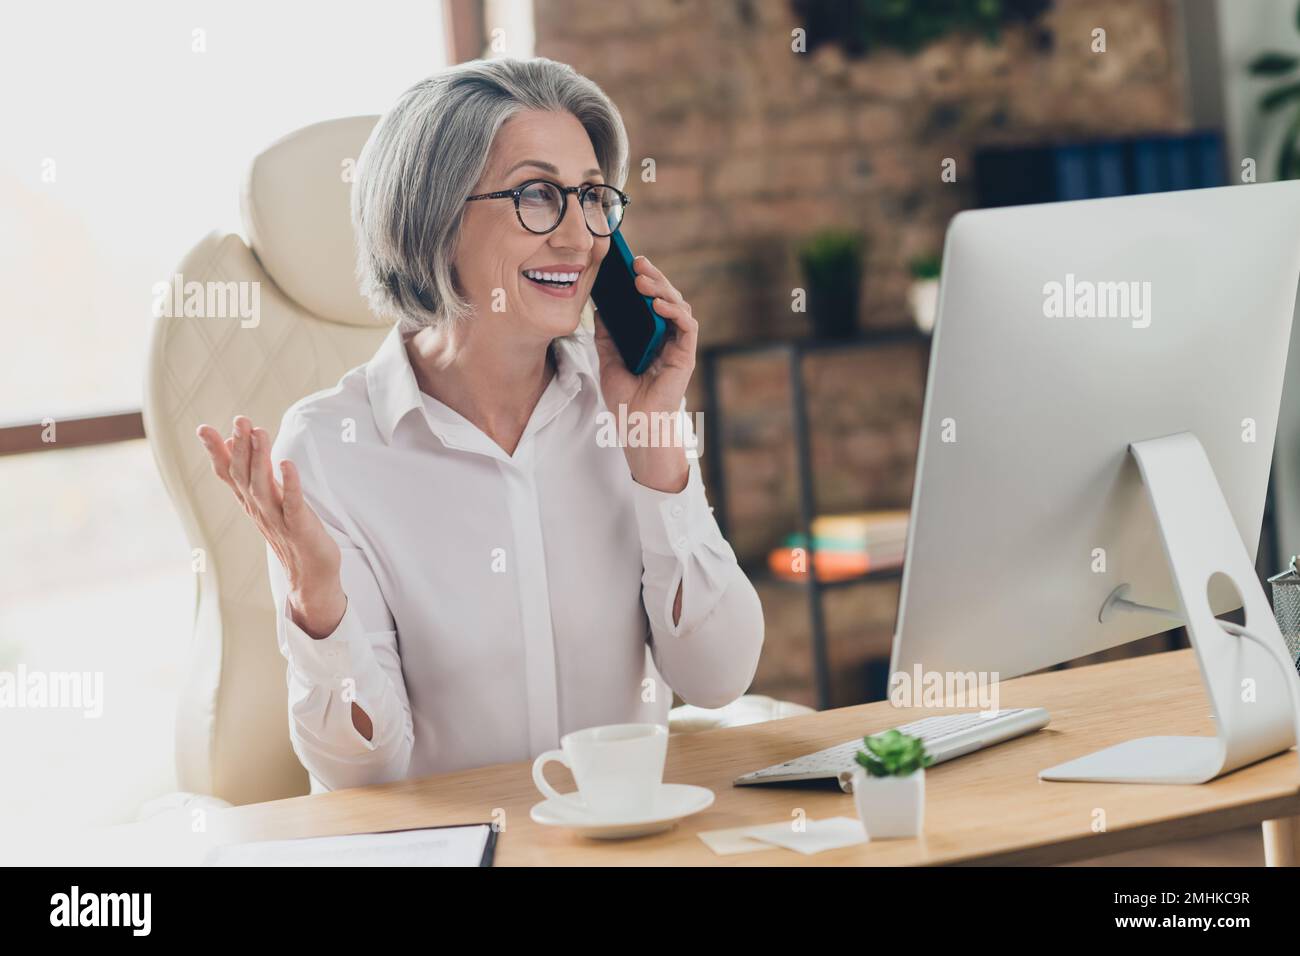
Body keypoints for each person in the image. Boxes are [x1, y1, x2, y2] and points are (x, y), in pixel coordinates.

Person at [195, 57, 764, 792]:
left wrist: (656, 450)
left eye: (592, 197)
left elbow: (718, 679)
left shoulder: (621, 405)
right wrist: (317, 599)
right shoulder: (333, 450)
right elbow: (363, 775)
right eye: (537, 195)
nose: (579, 237)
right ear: (434, 216)